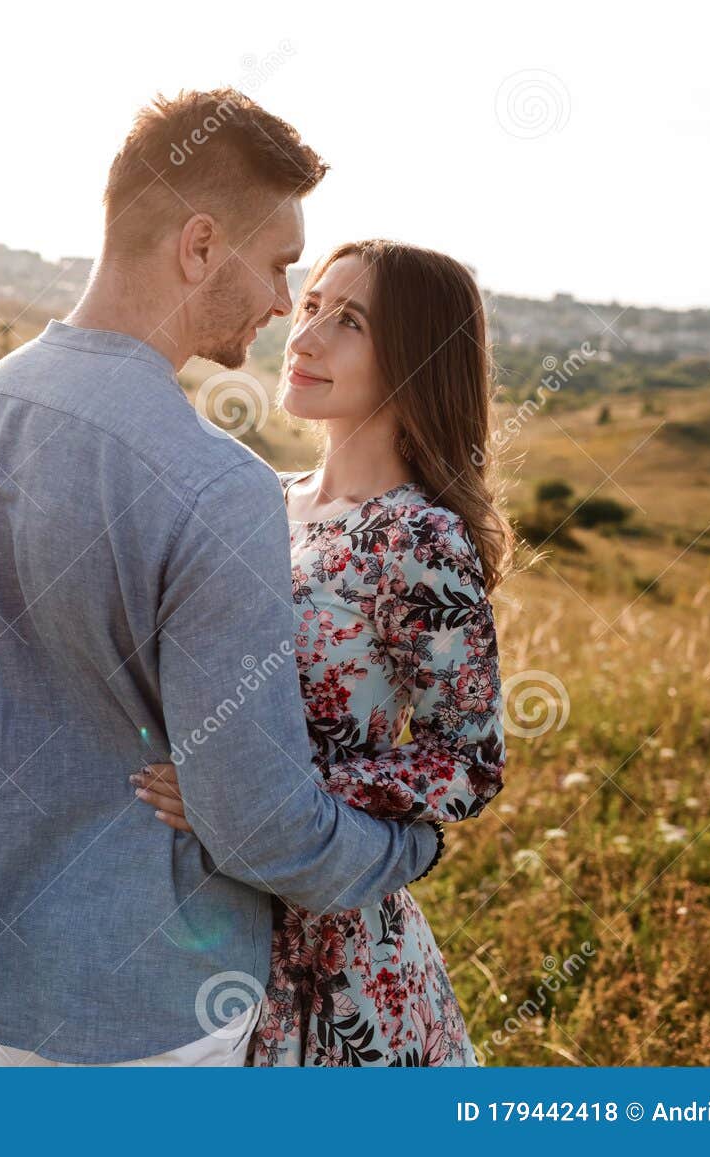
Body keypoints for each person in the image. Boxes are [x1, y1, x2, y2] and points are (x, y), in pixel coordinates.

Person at [0, 90, 440, 1066]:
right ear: (199, 246)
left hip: (4, 988)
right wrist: (413, 845)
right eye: (281, 263)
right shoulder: (217, 483)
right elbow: (263, 829)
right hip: (162, 1014)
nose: (288, 301)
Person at [132, 239, 510, 1065]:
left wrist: (265, 795)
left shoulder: (419, 537)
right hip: (200, 924)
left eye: (349, 322)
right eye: (309, 307)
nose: (304, 337)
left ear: (416, 357)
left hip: (336, 957)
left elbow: (468, 762)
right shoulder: (257, 500)